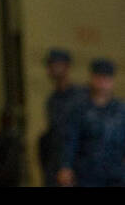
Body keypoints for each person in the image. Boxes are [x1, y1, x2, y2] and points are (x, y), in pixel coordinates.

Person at [57, 58, 125, 187]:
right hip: (87, 171)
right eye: (99, 78)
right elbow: (70, 140)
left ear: (112, 82)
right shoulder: (79, 109)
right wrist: (65, 167)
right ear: (92, 78)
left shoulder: (121, 110)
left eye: (107, 79)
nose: (102, 83)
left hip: (115, 172)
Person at [40, 48, 87, 186]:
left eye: (55, 64)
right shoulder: (52, 100)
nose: (51, 69)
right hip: (56, 163)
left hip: (79, 164)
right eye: (49, 65)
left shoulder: (81, 96)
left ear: (67, 67)